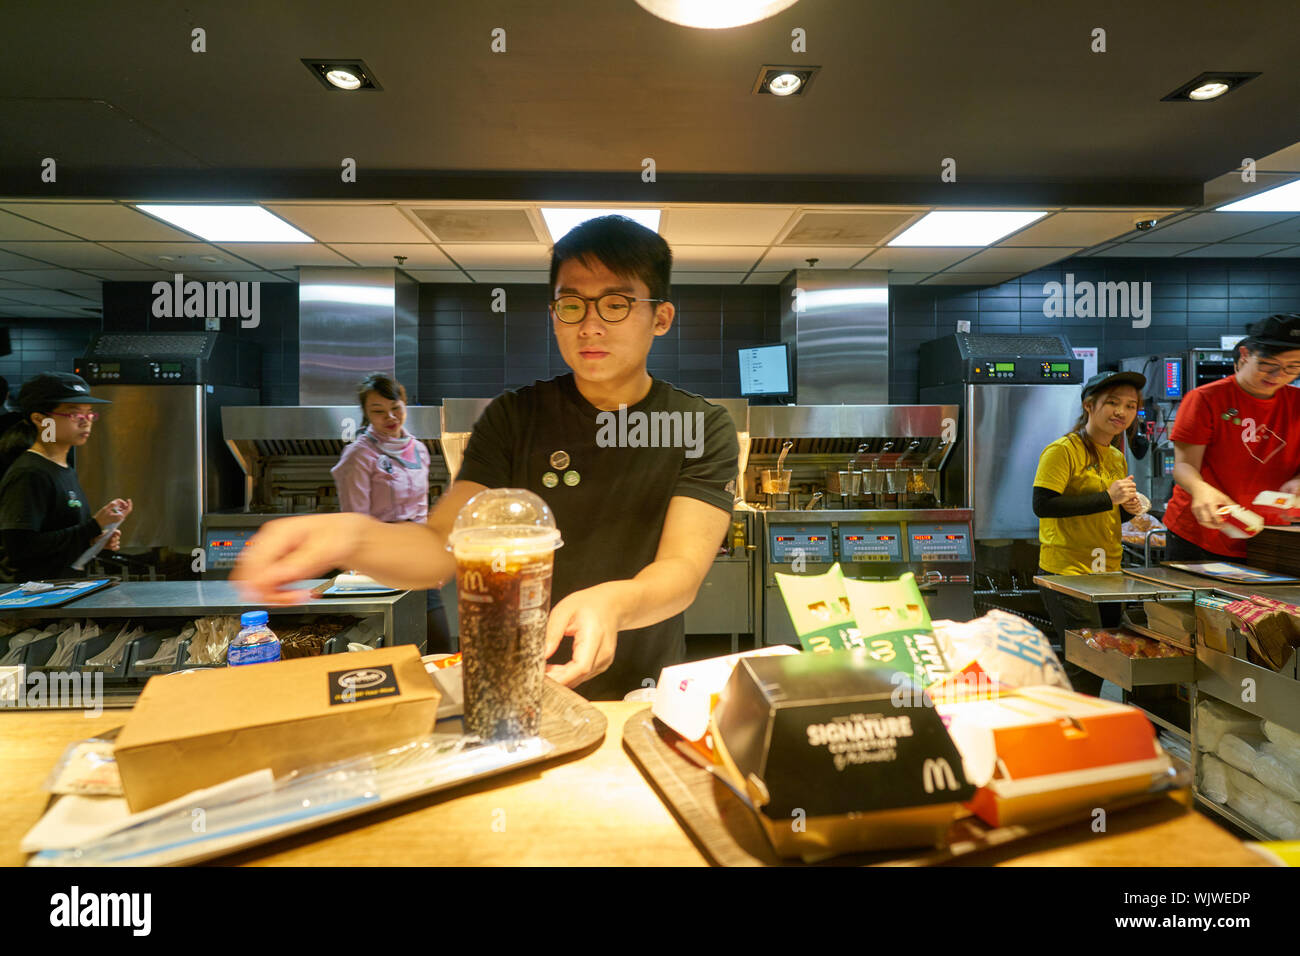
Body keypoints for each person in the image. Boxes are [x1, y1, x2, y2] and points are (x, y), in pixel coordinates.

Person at [234, 216, 740, 699]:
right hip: (511, 680)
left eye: (615, 304)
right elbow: (441, 547)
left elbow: (680, 571)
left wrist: (612, 602)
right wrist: (351, 536)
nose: (589, 325)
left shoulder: (701, 426)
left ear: (662, 317)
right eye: (571, 305)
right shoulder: (513, 418)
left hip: (638, 689)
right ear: (553, 314)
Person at [1032, 371, 1147, 695]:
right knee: (1086, 663)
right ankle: (1069, 733)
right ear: (1089, 405)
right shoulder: (1062, 450)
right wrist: (1108, 497)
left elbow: (1107, 513)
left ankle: (1086, 728)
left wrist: (1128, 507)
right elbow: (1044, 504)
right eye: (1112, 403)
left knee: (1103, 657)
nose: (1121, 412)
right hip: (1068, 573)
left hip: (1108, 574)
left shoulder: (1115, 456)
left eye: (1130, 405)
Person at [331, 372, 453, 653]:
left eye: (396, 408)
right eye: (378, 411)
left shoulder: (419, 450)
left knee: (438, 644)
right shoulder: (359, 455)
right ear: (366, 414)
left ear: (405, 405)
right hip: (380, 563)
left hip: (417, 557)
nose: (390, 417)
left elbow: (421, 509)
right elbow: (355, 518)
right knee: (394, 646)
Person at [1165, 314, 1300, 562]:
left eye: (1293, 367)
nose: (1278, 375)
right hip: (1202, 531)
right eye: (1269, 364)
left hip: (1271, 533)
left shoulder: (1296, 403)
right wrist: (1200, 489)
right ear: (1246, 355)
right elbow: (1184, 466)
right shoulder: (1206, 398)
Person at [0, 372, 133, 583]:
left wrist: (94, 540)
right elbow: (20, 548)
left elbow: (55, 538)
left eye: (89, 413)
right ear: (40, 420)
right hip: (33, 603)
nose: (86, 421)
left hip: (61, 592)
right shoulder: (30, 473)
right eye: (74, 414)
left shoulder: (63, 468)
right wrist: (93, 526)